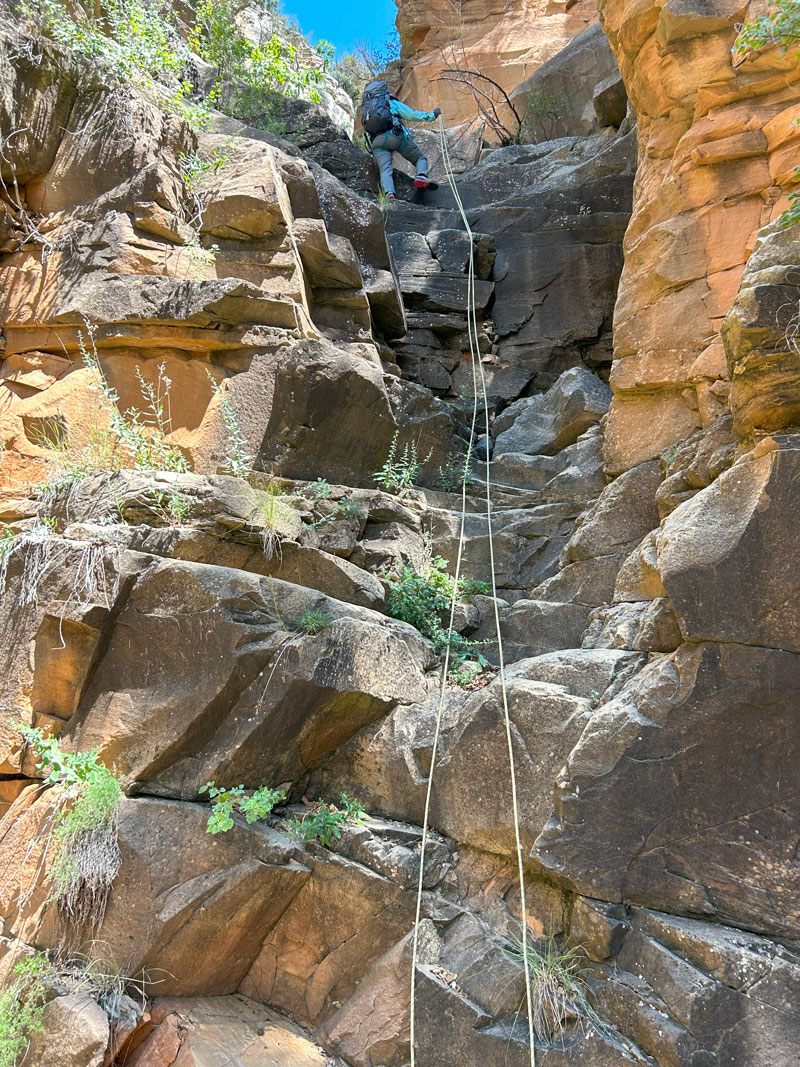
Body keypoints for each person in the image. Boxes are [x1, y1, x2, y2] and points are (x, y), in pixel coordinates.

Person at [362, 82, 441, 200]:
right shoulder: (391, 103)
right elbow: (412, 115)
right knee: (420, 158)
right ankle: (421, 175)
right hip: (394, 135)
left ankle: (390, 195)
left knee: (385, 170)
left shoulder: (368, 111)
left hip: (377, 143)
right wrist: (432, 116)